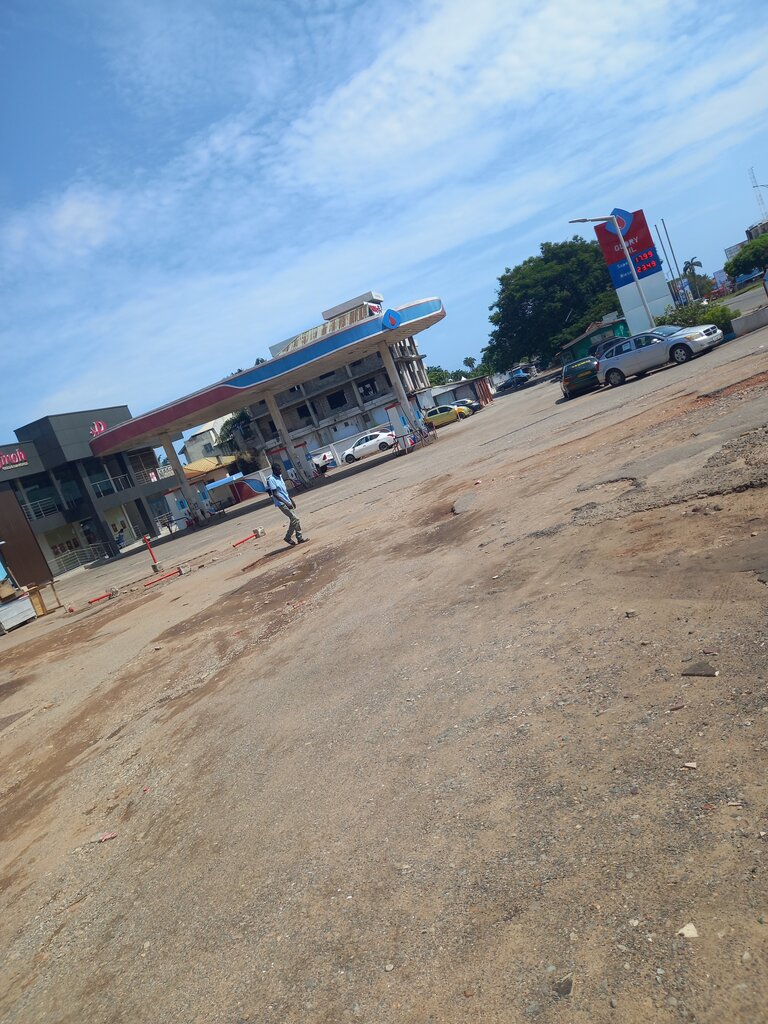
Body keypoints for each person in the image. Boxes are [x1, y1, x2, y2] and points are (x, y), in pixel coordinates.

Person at [266, 463, 307, 546]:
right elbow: (275, 494)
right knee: (295, 519)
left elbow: (284, 491)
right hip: (281, 503)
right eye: (278, 470)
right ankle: (288, 537)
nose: (280, 471)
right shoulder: (271, 479)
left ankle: (299, 538)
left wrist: (291, 500)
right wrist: (286, 503)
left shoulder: (280, 477)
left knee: (294, 519)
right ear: (274, 470)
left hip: (287, 501)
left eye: (280, 469)